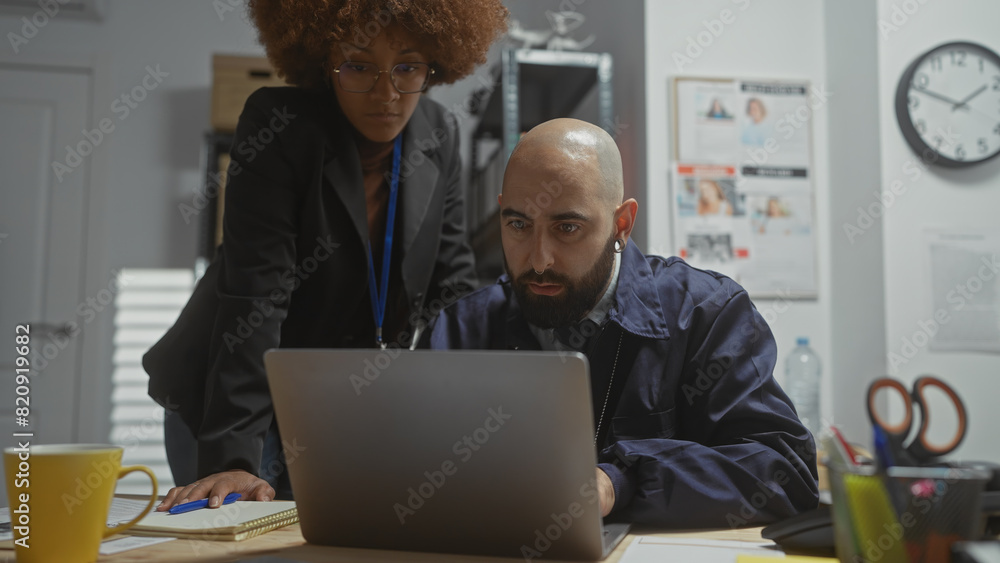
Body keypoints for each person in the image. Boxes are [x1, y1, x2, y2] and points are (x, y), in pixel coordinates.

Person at [147, 0, 508, 511]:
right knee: (238, 541)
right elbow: (257, 297)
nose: (387, 93)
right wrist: (233, 459)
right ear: (324, 61)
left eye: (407, 66)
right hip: (227, 399)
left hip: (330, 405)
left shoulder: (439, 135)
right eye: (359, 66)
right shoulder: (279, 124)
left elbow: (451, 289)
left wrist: (479, 416)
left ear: (437, 62)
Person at [422, 118, 818, 527]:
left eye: (567, 227)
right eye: (518, 224)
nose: (539, 260)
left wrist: (618, 482)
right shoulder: (462, 329)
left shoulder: (707, 315)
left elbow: (786, 472)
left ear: (621, 225)